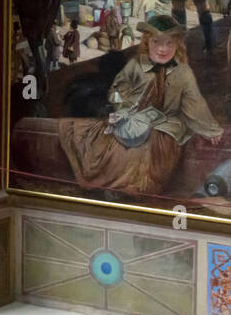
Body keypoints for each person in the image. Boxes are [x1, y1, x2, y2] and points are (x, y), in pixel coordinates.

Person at [57, 15, 221, 197]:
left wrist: (210, 129)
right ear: (147, 43)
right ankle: (116, 187)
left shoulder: (183, 72)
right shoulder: (136, 66)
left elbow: (194, 102)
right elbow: (116, 91)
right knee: (111, 142)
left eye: (168, 43)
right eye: (156, 43)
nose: (162, 49)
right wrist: (125, 106)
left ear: (177, 45)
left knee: (151, 145)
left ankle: (133, 189)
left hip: (167, 124)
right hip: (134, 120)